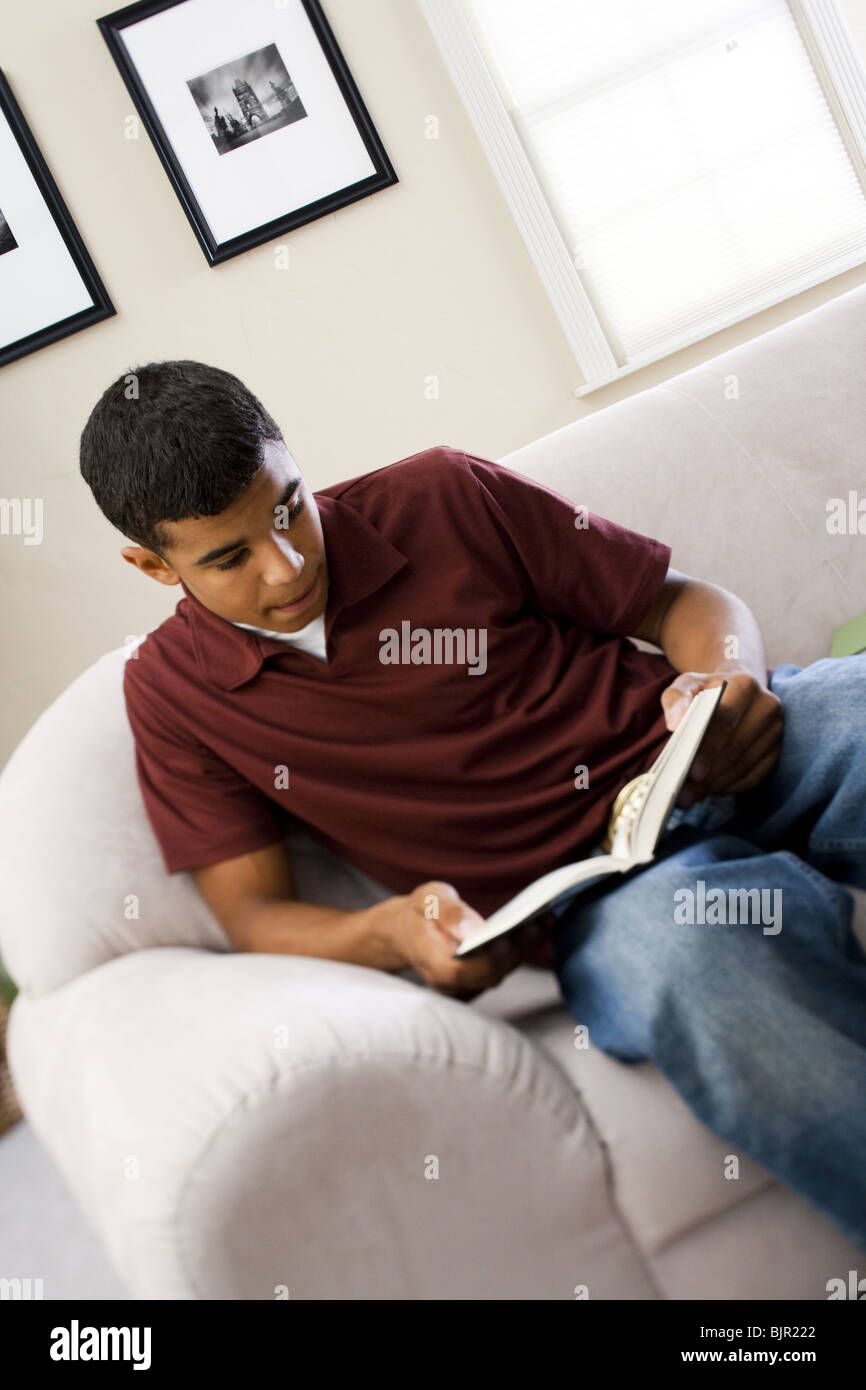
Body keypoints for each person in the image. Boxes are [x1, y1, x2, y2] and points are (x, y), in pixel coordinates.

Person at [79, 359, 866, 1255]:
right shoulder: (174, 696)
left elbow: (686, 602)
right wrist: (396, 933)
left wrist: (725, 683)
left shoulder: (443, 492)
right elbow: (254, 912)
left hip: (721, 751)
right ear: (151, 565)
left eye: (289, 506)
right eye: (230, 557)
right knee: (707, 974)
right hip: (601, 898)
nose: (288, 563)